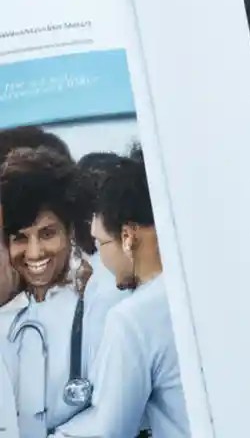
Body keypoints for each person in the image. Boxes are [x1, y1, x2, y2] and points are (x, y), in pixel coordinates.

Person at [54, 150, 189, 438]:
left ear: (128, 237)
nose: (99, 260)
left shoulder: (133, 318)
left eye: (100, 244)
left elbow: (111, 430)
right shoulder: (199, 286)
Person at [1, 147, 126, 437]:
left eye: (47, 233)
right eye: (20, 238)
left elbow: (111, 415)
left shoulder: (103, 301)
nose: (34, 253)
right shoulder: (10, 313)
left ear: (70, 229)